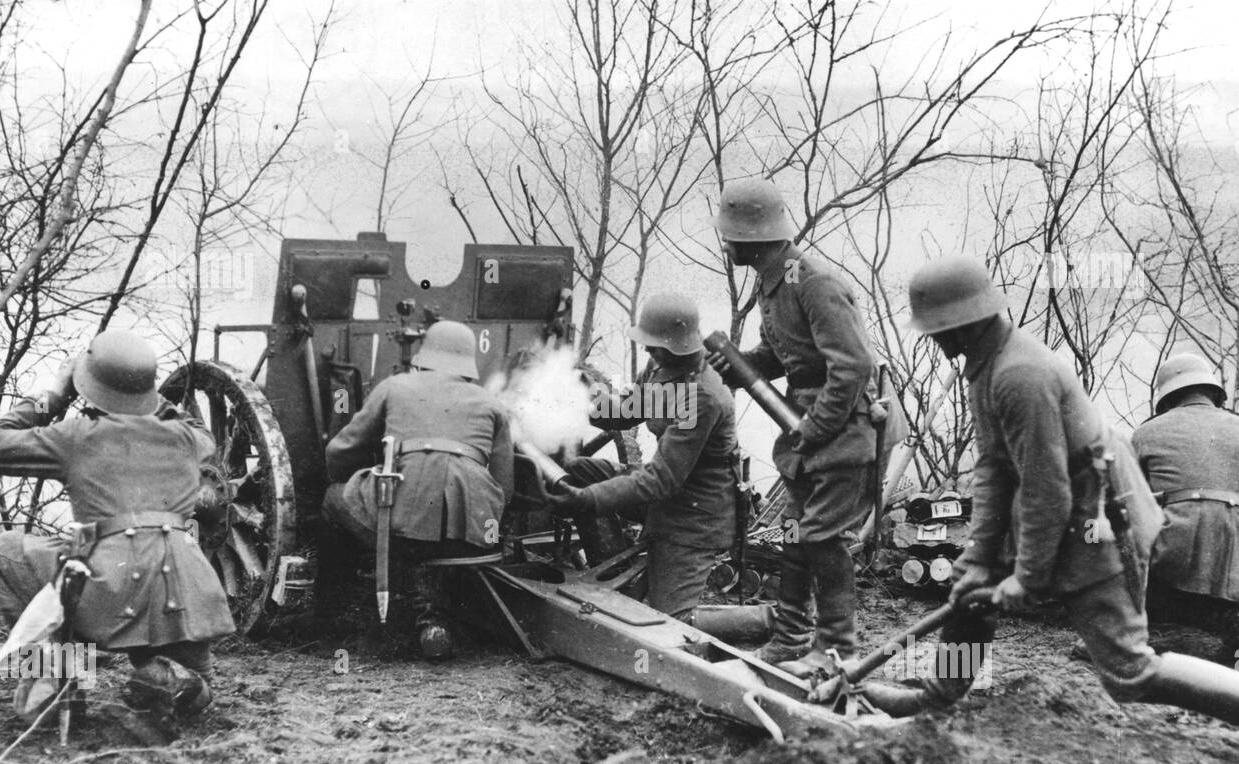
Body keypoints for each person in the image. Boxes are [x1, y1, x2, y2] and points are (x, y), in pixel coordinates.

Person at [860, 256, 1239, 764]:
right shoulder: (986, 366)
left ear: (965, 322)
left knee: (1128, 670)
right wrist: (978, 559)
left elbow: (1048, 488)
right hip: (1059, 511)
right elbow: (996, 469)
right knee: (971, 600)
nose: (935, 342)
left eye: (938, 330)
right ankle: (934, 699)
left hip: (1097, 522)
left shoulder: (1022, 375)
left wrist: (1029, 578)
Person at [0, 331, 235, 719]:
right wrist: (150, 397)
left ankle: (56, 681)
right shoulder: (188, 438)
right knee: (194, 680)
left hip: (112, 589)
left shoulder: (76, 438)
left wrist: (54, 395)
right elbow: (200, 433)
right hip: (187, 593)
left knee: (4, 548)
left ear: (88, 384)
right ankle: (178, 682)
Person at [707, 178, 881, 670]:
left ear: (753, 236)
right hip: (808, 427)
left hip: (844, 429)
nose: (726, 242)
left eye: (731, 234)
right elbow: (793, 356)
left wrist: (815, 428)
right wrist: (745, 365)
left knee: (823, 538)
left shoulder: (813, 282)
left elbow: (852, 366)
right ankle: (790, 639)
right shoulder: (775, 280)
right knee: (795, 535)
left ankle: (836, 650)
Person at [318, 321, 514, 644]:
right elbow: (505, 488)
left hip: (398, 533)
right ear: (468, 361)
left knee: (332, 500)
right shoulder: (493, 405)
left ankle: (332, 615)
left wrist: (356, 480)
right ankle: (439, 614)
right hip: (471, 540)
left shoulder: (394, 386)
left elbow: (339, 452)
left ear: (424, 355)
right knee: (432, 531)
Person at [549, 293, 738, 622]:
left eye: (652, 345)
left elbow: (661, 479)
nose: (647, 351)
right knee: (582, 471)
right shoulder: (660, 366)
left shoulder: (701, 395)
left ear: (675, 345)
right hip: (665, 495)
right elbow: (624, 411)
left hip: (694, 518)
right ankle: (616, 575)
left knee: (669, 623)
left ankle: (766, 620)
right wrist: (579, 393)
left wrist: (586, 500)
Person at [1132, 353, 1239, 664]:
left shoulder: (1146, 434)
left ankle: (1126, 634)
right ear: (1215, 393)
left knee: (1142, 587)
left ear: (1167, 397)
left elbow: (1123, 505)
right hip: (1229, 563)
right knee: (1226, 620)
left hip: (1167, 556)